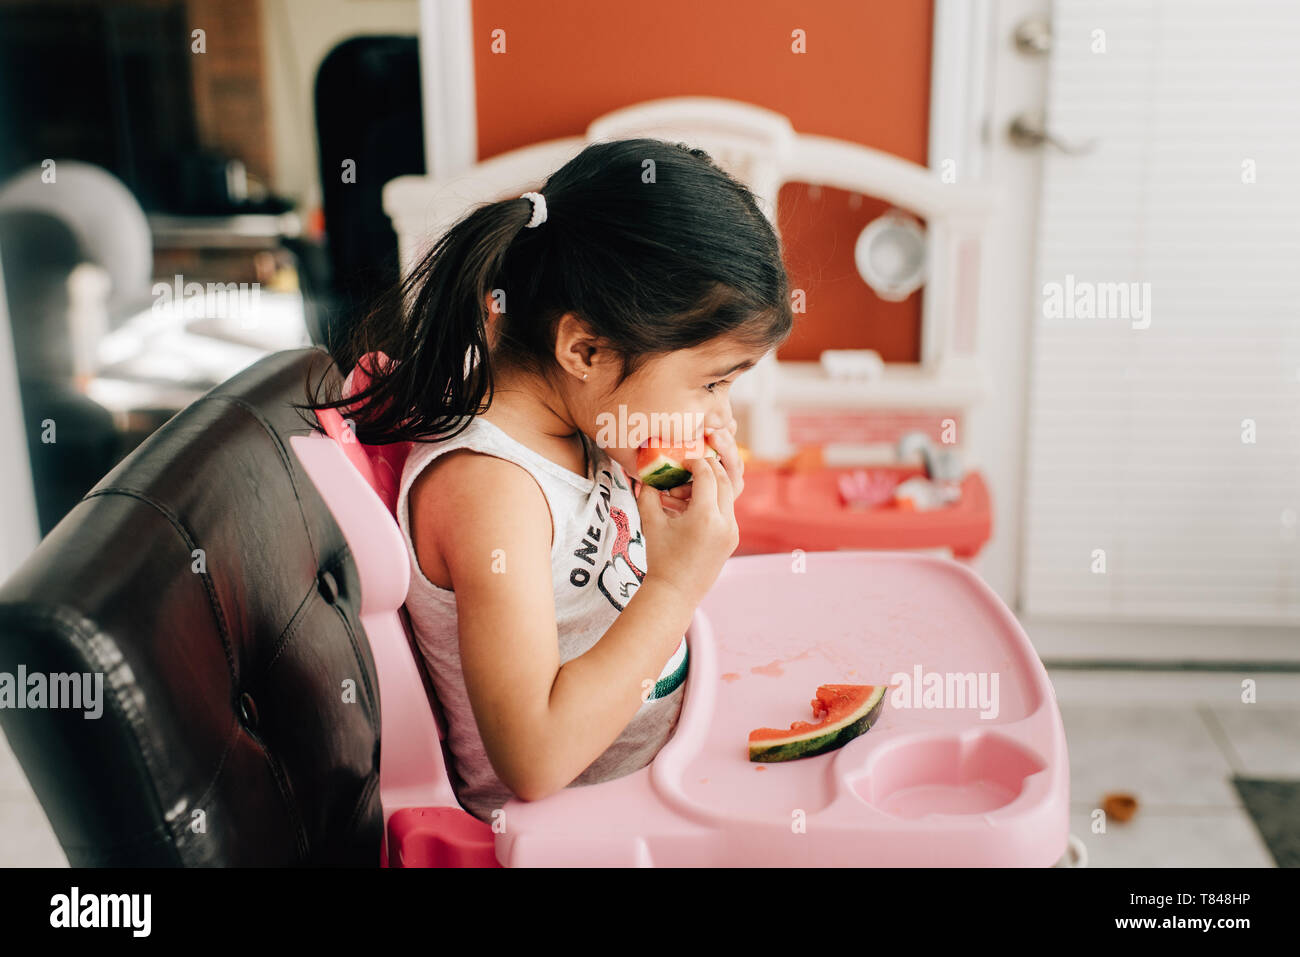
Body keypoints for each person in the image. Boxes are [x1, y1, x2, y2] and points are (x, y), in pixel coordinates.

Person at [303, 138, 794, 823]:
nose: (721, 414)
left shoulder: (588, 420)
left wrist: (673, 517)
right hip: (582, 824)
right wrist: (678, 582)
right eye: (710, 382)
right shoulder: (491, 490)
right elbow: (533, 757)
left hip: (674, 758)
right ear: (585, 349)